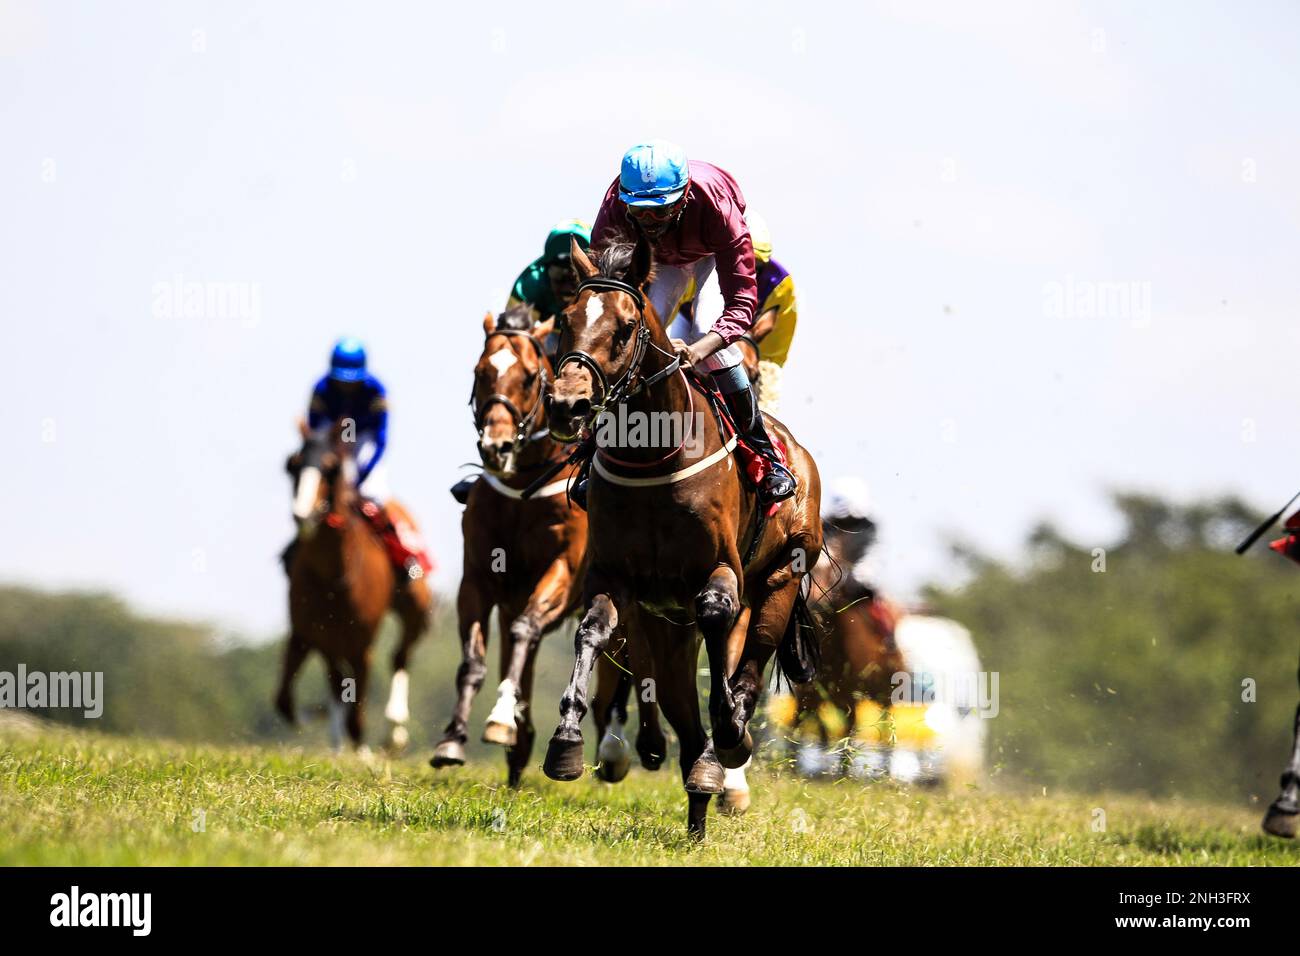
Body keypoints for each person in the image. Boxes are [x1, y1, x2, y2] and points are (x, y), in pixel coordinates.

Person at [590, 141, 795, 504]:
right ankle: (593, 450)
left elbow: (742, 306)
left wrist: (699, 351)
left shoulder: (716, 208)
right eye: (640, 212)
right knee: (628, 335)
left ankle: (765, 455)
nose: (650, 222)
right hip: (662, 261)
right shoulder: (614, 209)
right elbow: (603, 293)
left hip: (714, 249)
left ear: (683, 197)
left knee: (703, 326)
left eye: (660, 211)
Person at [286, 337, 432, 581]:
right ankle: (295, 550)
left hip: (365, 443)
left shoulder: (376, 390)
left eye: (350, 382)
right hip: (331, 442)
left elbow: (381, 439)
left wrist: (360, 477)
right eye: (341, 381)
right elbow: (315, 435)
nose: (346, 387)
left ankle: (408, 559)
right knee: (309, 497)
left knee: (375, 495)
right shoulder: (321, 389)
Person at [506, 219, 592, 357]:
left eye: (574, 276)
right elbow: (510, 337)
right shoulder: (531, 283)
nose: (566, 286)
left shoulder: (603, 280)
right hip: (550, 339)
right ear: (546, 269)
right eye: (557, 274)